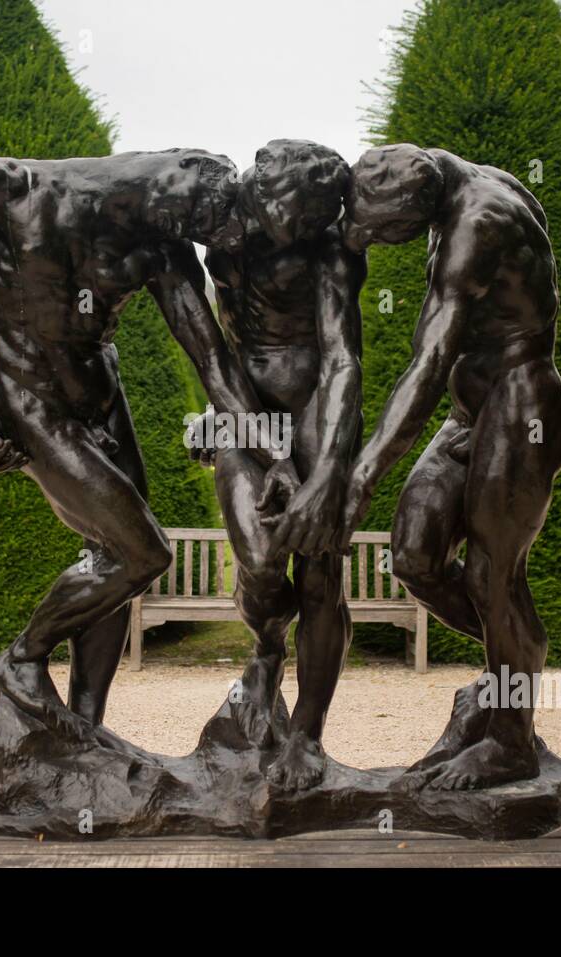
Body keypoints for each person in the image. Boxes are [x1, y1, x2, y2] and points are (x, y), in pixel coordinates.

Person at [0, 149, 271, 741]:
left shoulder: (163, 240)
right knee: (142, 553)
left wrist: (272, 452)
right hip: (29, 398)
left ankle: (86, 728)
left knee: (115, 558)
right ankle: (22, 657)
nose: (187, 243)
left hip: (102, 396)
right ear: (169, 184)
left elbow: (211, 359)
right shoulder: (5, 188)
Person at [333, 144, 561, 790]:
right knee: (415, 553)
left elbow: (428, 365)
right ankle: (507, 671)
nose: (384, 246)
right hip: (471, 414)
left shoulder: (476, 222)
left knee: (497, 577)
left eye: (386, 236)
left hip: (522, 404)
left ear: (410, 212)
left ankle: (510, 740)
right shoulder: (451, 192)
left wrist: (360, 475)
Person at [202, 140, 366, 789]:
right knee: (261, 556)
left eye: (313, 218)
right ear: (265, 192)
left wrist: (328, 469)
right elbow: (217, 345)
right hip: (248, 412)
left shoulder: (328, 249)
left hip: (317, 410)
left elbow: (343, 357)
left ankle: (308, 732)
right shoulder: (221, 236)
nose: (303, 229)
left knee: (321, 569)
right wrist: (230, 422)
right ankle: (267, 648)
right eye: (296, 215)